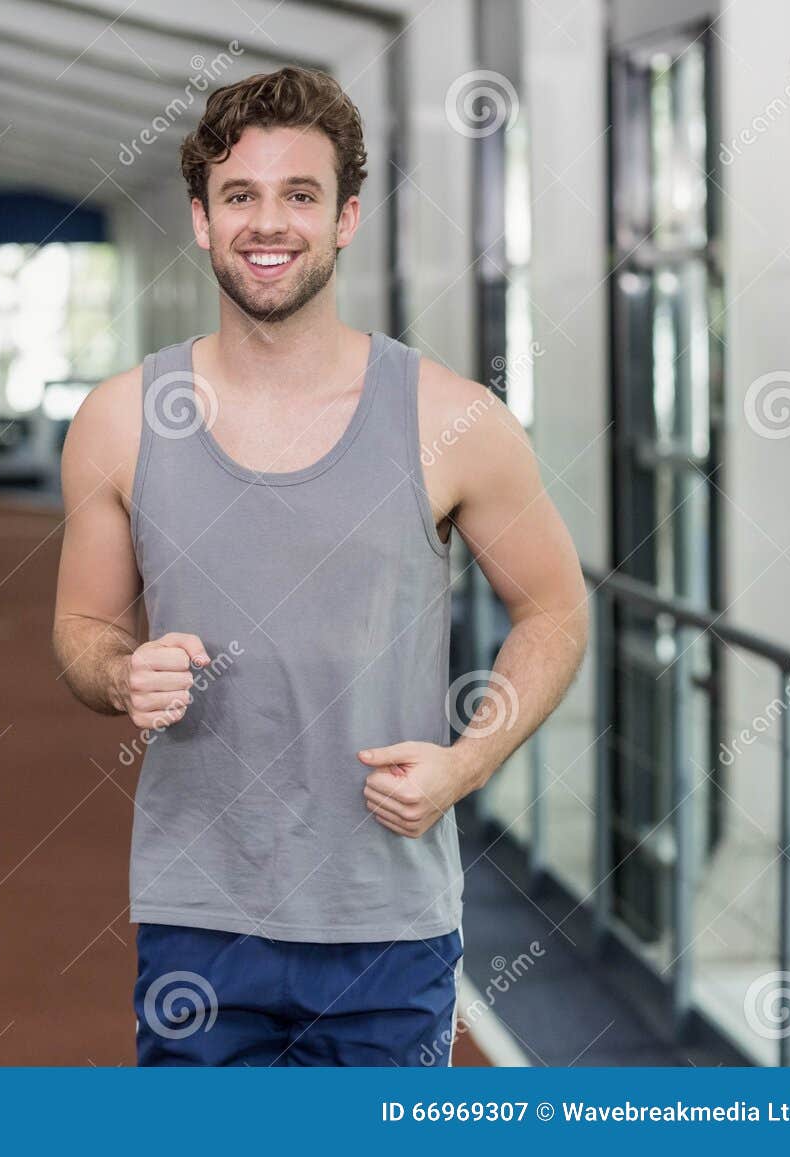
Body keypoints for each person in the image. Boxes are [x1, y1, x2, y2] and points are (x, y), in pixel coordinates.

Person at [52, 67, 588, 1066]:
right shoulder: (121, 418)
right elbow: (81, 631)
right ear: (202, 220)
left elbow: (554, 606)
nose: (269, 223)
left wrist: (465, 764)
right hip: (199, 916)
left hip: (387, 924)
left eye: (299, 195)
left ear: (344, 217)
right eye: (240, 196)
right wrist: (119, 673)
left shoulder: (449, 418)